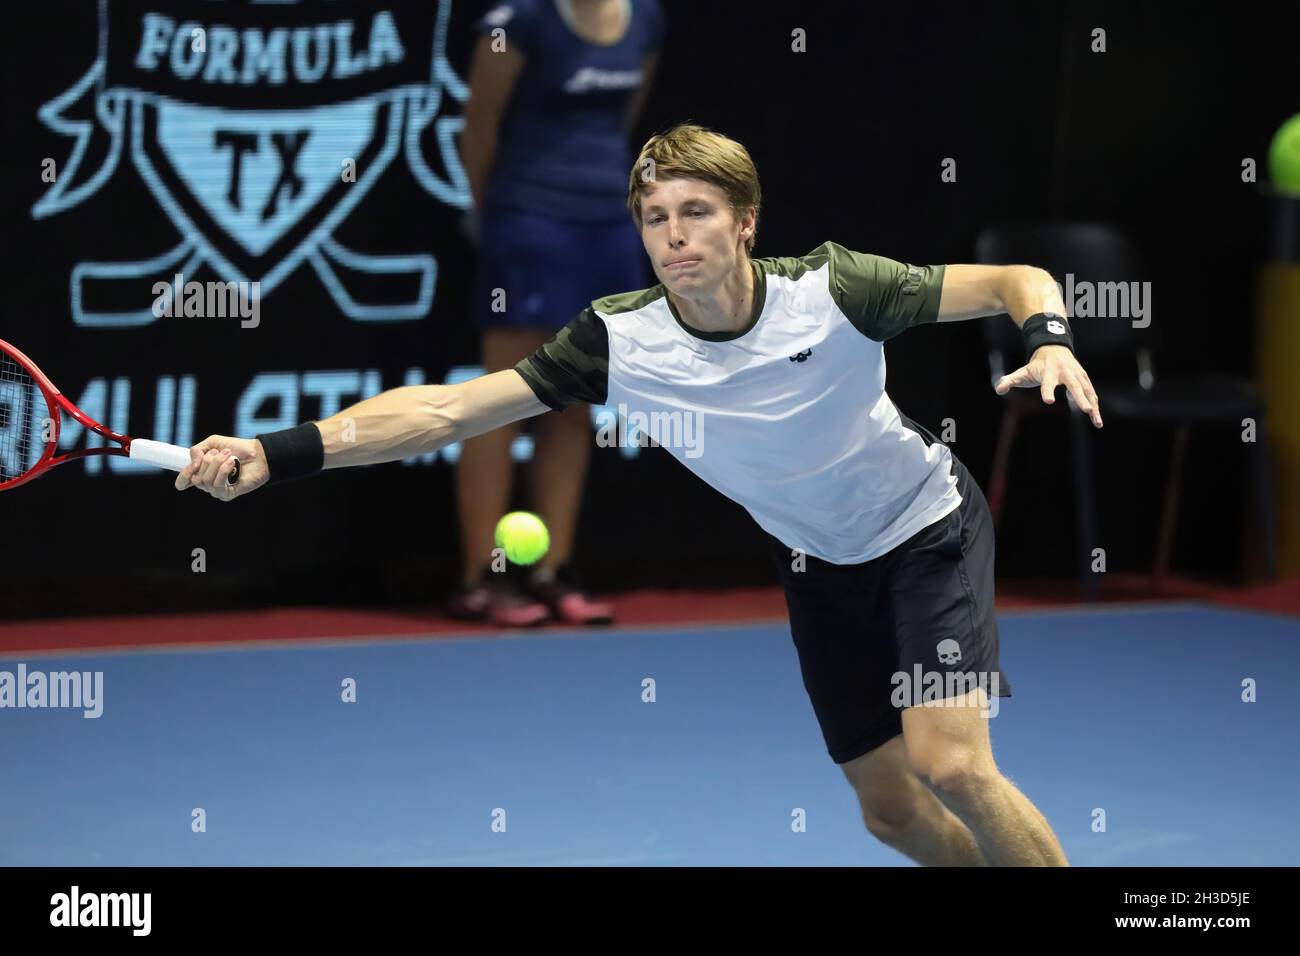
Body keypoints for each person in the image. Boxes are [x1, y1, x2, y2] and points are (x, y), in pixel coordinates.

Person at [177, 124, 1103, 866]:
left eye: (695, 212)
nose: (673, 235)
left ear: (745, 222)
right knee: (891, 815)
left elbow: (1012, 280)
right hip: (820, 567)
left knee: (951, 765)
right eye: (655, 217)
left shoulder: (837, 289)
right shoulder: (618, 341)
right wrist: (276, 451)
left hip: (924, 530)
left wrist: (1050, 337)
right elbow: (448, 411)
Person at [452, 0, 664, 626]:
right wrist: (498, 218)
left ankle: (552, 569)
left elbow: (626, 121)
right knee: (500, 402)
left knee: (573, 402)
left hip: (607, 227)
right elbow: (479, 129)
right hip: (527, 223)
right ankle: (480, 577)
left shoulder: (647, 20)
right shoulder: (517, 22)